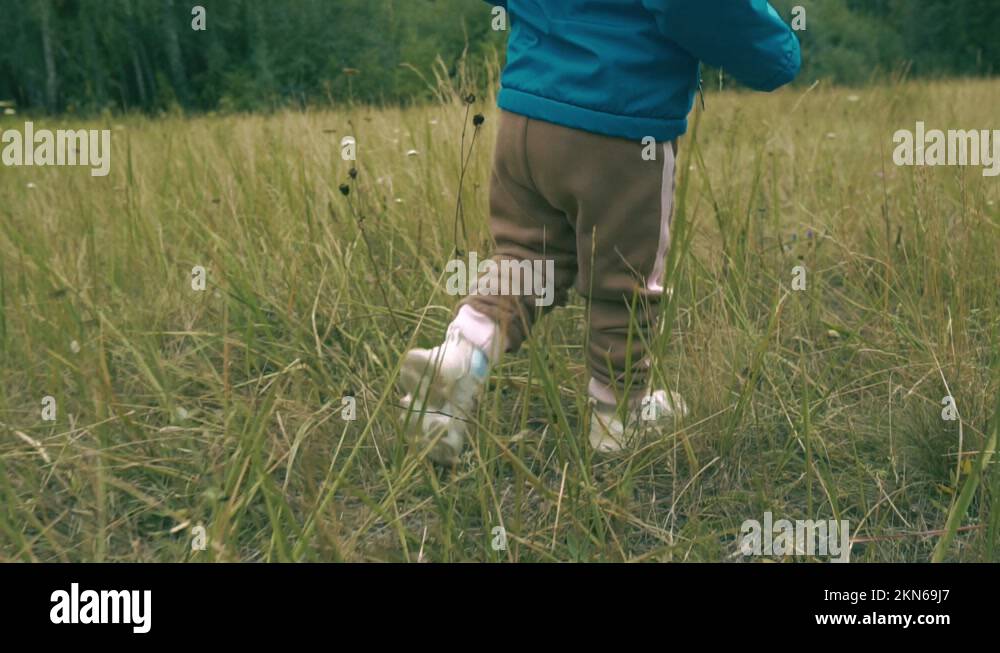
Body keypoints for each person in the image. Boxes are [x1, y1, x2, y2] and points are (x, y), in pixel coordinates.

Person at [399, 0, 802, 464]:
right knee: (624, 283)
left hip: (525, 116)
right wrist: (778, 54)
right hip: (620, 128)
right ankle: (618, 420)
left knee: (526, 259)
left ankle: (460, 358)